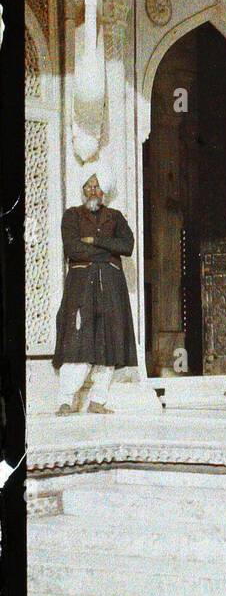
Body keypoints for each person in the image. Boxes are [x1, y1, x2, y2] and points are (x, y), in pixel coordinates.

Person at [52, 164, 138, 415]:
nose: (92, 190)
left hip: (111, 286)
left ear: (104, 192)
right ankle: (65, 400)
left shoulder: (115, 216)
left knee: (108, 340)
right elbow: (72, 248)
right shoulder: (72, 216)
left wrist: (95, 240)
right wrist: (107, 252)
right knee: (78, 339)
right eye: (88, 186)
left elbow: (127, 246)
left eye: (97, 186)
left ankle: (97, 401)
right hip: (81, 285)